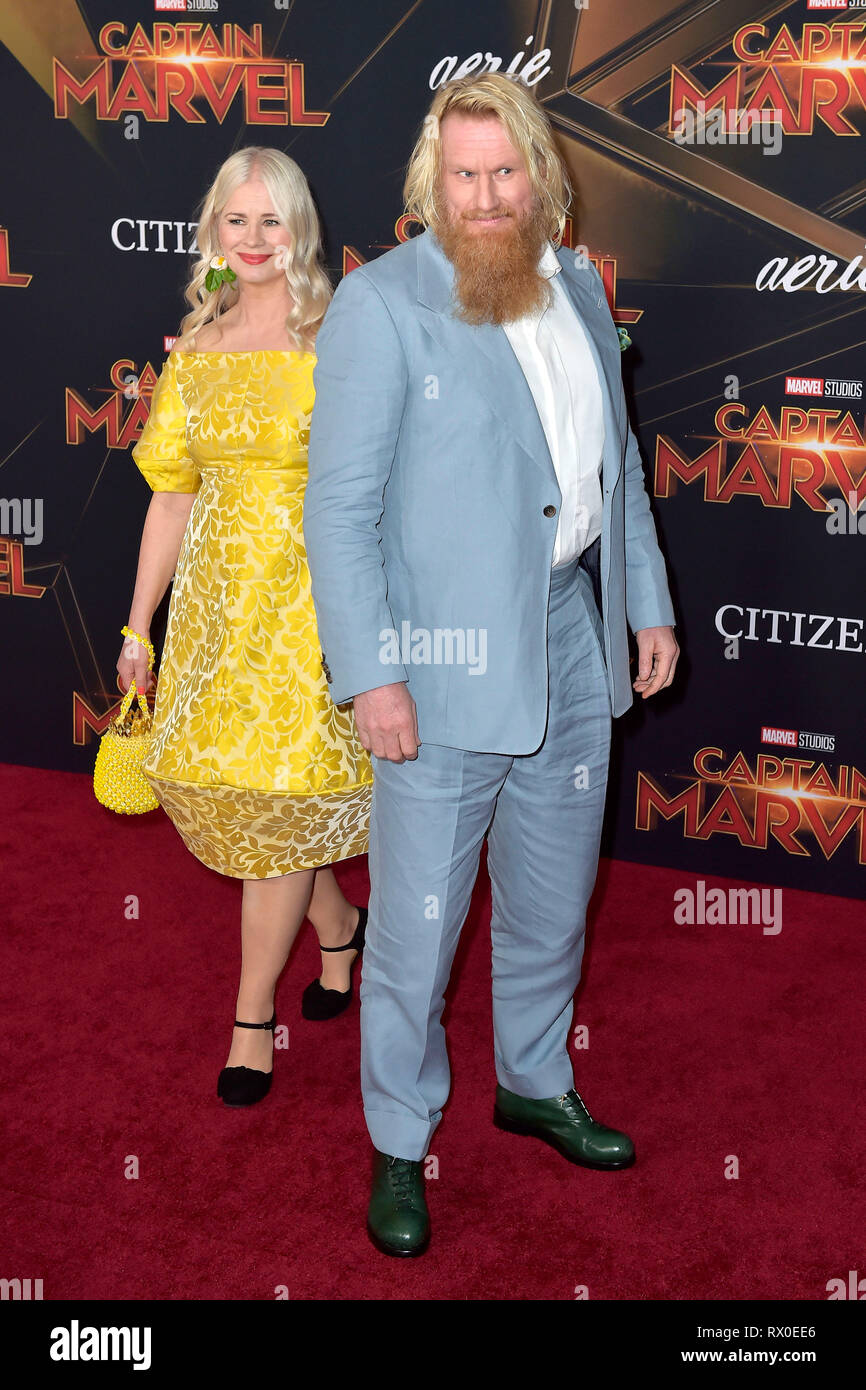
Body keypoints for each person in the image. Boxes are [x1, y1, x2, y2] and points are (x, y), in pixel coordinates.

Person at [304, 73, 679, 1255]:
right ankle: (399, 1135)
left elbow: (610, 471)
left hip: (570, 630)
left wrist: (645, 607)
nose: (481, 196)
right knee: (416, 926)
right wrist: (371, 673)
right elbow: (339, 510)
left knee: (552, 897)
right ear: (431, 180)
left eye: (501, 172)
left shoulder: (573, 284)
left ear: (539, 178)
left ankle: (530, 1079)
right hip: (437, 661)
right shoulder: (382, 304)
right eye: (460, 175)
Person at [119, 147, 372, 1109]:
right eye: (237, 221)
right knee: (243, 798)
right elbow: (171, 501)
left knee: (281, 792)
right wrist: (141, 623)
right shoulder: (193, 352)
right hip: (219, 616)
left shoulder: (339, 339)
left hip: (310, 607)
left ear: (298, 229)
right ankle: (340, 927)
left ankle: (249, 1017)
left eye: (273, 221)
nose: (255, 240)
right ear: (214, 232)